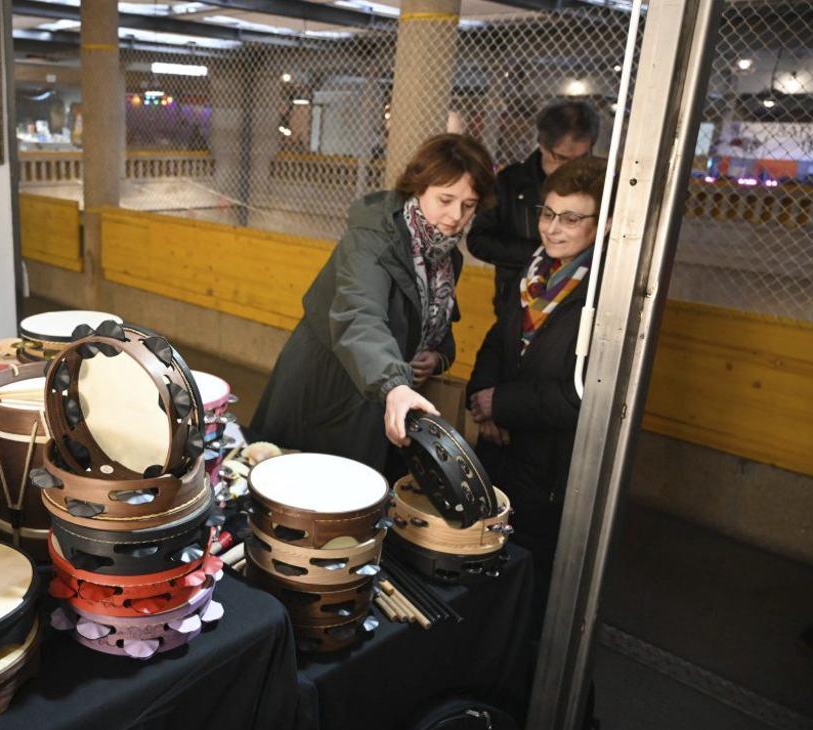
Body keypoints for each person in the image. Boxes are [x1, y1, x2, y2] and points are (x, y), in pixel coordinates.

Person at [251, 134, 495, 482]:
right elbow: (358, 315)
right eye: (446, 199)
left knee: (353, 495)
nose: (456, 216)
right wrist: (395, 384)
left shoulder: (445, 256)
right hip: (330, 380)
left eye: (469, 205)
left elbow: (435, 323)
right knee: (302, 488)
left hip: (379, 384)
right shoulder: (373, 236)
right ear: (419, 187)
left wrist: (438, 355)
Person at [465, 156, 611, 632]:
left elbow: (581, 392)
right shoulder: (534, 270)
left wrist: (500, 404)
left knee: (529, 582)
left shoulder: (603, 294)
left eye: (571, 218)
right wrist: (482, 397)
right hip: (499, 447)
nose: (553, 228)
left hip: (547, 464)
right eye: (548, 214)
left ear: (602, 223)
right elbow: (497, 339)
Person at [468, 101, 598, 314]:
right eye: (563, 158)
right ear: (542, 145)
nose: (574, 168)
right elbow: (479, 241)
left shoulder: (600, 188)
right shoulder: (509, 182)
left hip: (577, 306)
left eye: (583, 157)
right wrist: (545, 253)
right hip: (516, 303)